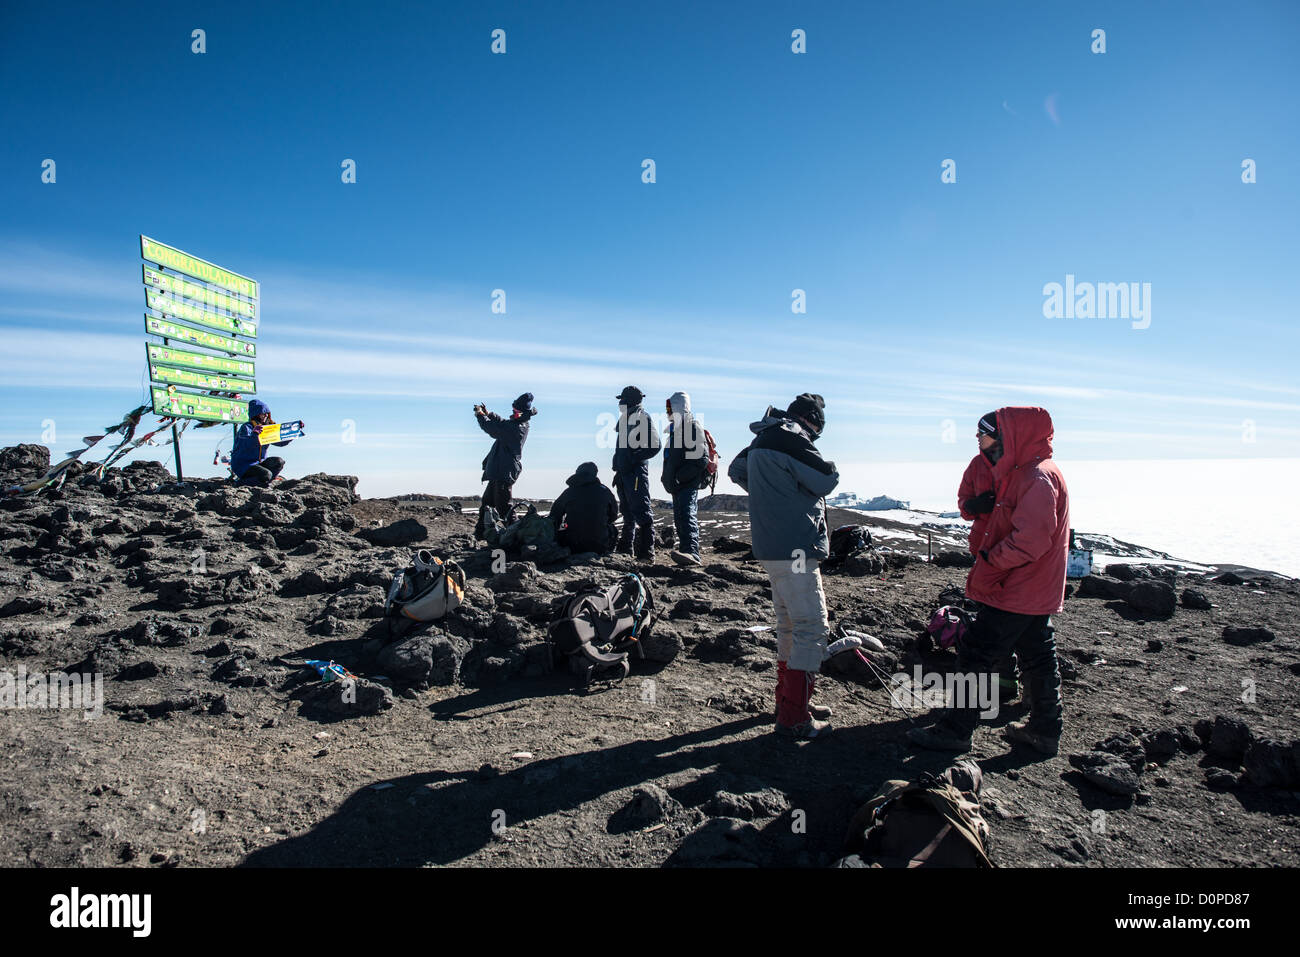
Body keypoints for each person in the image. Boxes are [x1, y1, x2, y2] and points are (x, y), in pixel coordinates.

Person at [908, 406, 1070, 756]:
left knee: (975, 652)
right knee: (1037, 653)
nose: (979, 440)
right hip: (1033, 587)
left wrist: (991, 560)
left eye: (984, 433)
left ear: (1008, 435)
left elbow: (1030, 541)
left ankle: (955, 731)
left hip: (1016, 585)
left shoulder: (1035, 478)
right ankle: (1045, 730)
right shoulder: (1028, 471)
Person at [728, 393, 839, 739]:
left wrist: (773, 491)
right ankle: (794, 717)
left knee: (789, 624)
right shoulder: (793, 437)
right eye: (818, 425)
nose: (818, 433)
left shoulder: (764, 436)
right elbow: (827, 479)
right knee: (810, 626)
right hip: (795, 548)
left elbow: (736, 470)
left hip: (769, 546)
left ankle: (790, 701)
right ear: (811, 419)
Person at [958, 414, 1020, 702]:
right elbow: (964, 503)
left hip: (1014, 552)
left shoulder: (1020, 464)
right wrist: (973, 505)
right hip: (984, 550)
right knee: (988, 616)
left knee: (1017, 617)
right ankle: (1001, 681)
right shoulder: (976, 465)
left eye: (981, 433)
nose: (977, 438)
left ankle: (1008, 681)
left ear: (997, 434)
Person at [475, 393, 537, 540]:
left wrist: (480, 416)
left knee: (504, 507)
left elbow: (494, 429)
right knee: (487, 504)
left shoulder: (518, 428)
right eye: (513, 410)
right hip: (499, 470)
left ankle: (515, 536)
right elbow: (502, 423)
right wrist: (489, 413)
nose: (513, 413)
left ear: (522, 412)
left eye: (516, 411)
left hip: (504, 471)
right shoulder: (518, 423)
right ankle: (480, 534)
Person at [612, 386, 661, 560]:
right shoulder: (627, 419)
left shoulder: (641, 417)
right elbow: (622, 449)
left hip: (635, 472)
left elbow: (655, 445)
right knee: (627, 511)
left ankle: (647, 552)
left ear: (629, 401)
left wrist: (633, 460)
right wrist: (618, 467)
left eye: (622, 400)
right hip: (625, 472)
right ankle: (626, 549)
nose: (620, 403)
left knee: (641, 508)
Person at [661, 390, 706, 566]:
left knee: (687, 515)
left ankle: (692, 553)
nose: (667, 412)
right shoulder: (675, 430)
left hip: (687, 483)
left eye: (670, 408)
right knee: (680, 517)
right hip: (678, 484)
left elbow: (701, 459)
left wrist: (679, 478)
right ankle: (686, 552)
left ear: (679, 407)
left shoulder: (692, 427)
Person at [549, 462, 620, 555]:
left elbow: (554, 515)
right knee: (613, 529)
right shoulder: (605, 491)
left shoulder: (569, 491)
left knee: (562, 528)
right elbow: (613, 516)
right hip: (600, 546)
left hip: (572, 545)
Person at [231, 399, 294, 487]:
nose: (266, 415)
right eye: (263, 413)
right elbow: (245, 445)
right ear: (256, 414)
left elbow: (280, 442)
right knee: (266, 474)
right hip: (244, 465)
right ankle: (240, 483)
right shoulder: (246, 427)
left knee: (279, 462)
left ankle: (265, 482)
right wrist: (255, 434)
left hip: (259, 464)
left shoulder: (265, 428)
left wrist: (292, 433)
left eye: (267, 413)